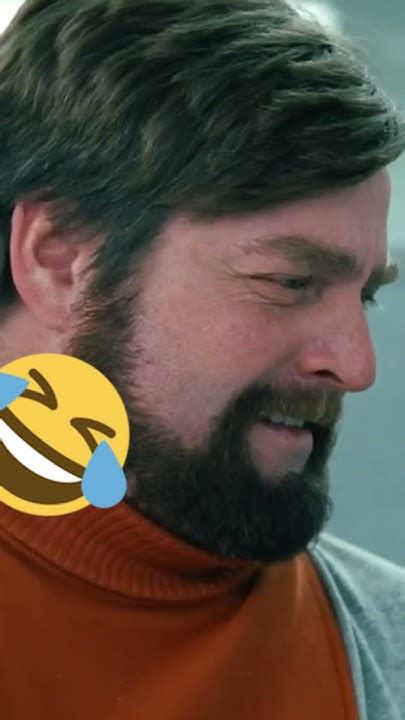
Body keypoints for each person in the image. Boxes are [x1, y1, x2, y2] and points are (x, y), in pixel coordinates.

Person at [0, 1, 404, 718]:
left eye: (364, 296)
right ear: (58, 260)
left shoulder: (386, 641)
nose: (355, 366)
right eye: (289, 282)